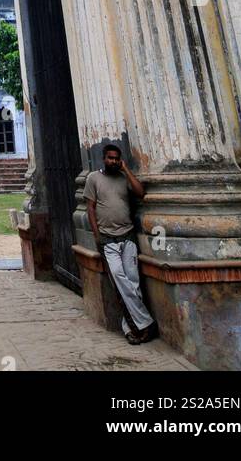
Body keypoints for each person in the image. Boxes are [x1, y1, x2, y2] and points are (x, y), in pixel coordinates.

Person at [85, 142, 157, 345]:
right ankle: (145, 324)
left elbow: (140, 192)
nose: (113, 161)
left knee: (133, 282)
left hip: (127, 235)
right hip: (108, 238)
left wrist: (126, 169)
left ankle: (130, 329)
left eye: (117, 158)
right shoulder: (94, 178)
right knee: (119, 279)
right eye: (110, 158)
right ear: (103, 158)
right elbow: (90, 208)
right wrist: (96, 235)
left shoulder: (123, 177)